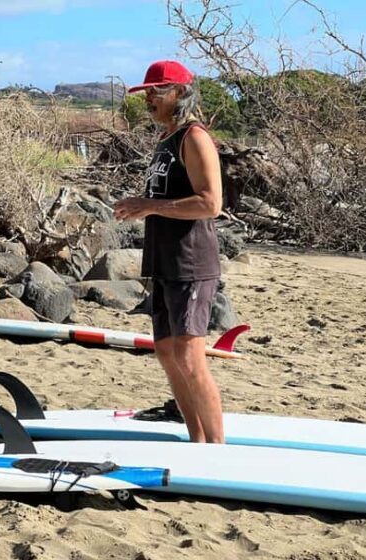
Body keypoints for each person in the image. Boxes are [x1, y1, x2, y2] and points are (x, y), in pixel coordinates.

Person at [114, 60, 225, 444]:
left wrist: (149, 205)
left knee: (191, 358)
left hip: (190, 261)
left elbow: (211, 204)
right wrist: (141, 206)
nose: (149, 99)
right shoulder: (167, 139)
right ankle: (196, 441)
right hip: (163, 261)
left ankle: (217, 450)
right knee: (166, 352)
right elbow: (163, 197)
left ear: (179, 92)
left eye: (156, 91)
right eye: (147, 92)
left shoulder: (194, 137)